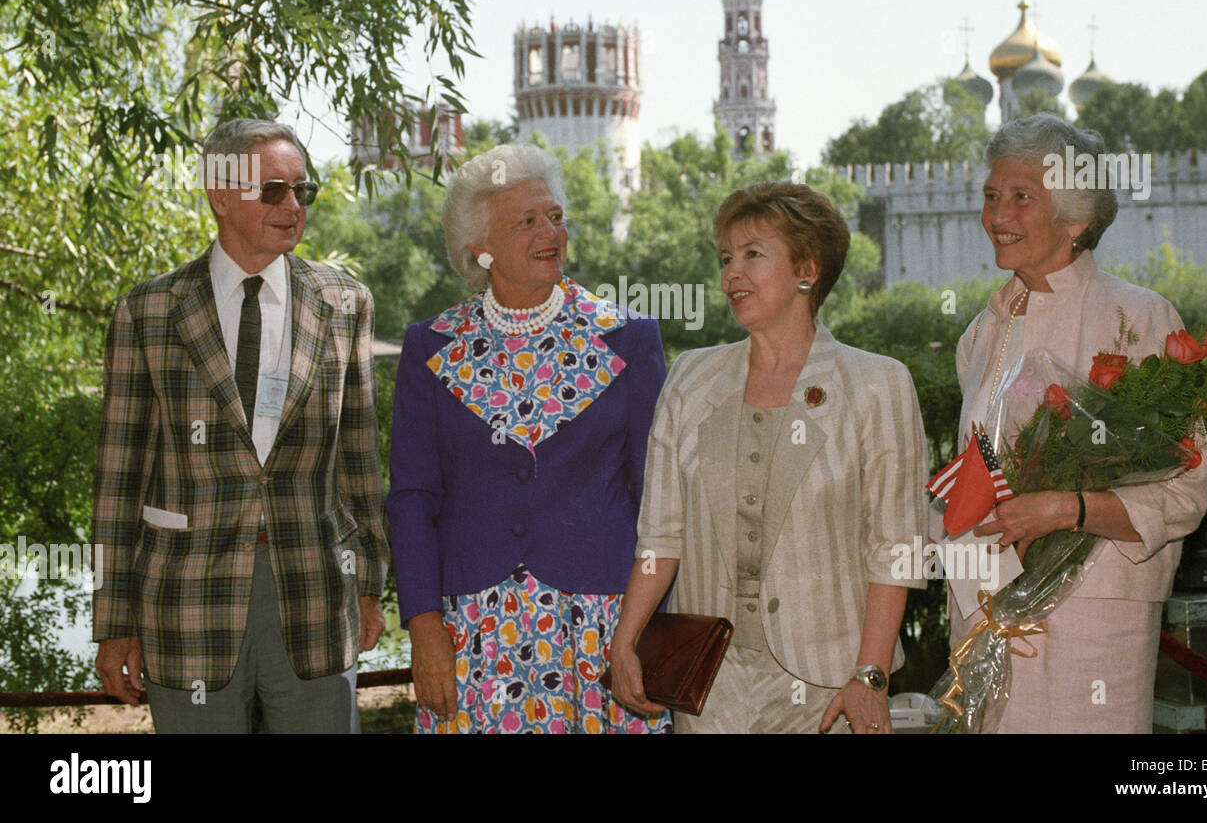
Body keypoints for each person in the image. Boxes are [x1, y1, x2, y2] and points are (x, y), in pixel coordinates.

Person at [92, 119, 390, 733]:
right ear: (219, 194)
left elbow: (359, 459)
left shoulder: (345, 303)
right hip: (185, 603)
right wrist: (114, 623)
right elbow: (118, 482)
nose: (292, 206)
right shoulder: (147, 312)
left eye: (302, 191)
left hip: (314, 596)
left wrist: (369, 583)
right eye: (273, 190)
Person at [610, 182, 930, 734]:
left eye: (753, 255)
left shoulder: (878, 384)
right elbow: (660, 534)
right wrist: (625, 640)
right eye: (726, 258)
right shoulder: (690, 379)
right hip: (709, 686)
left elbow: (896, 548)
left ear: (808, 269)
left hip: (830, 686)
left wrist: (870, 675)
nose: (732, 273)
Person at [387, 143, 670, 734]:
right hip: (473, 634)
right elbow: (412, 500)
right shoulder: (431, 347)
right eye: (527, 221)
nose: (551, 232)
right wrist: (422, 625)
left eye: (555, 216)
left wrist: (649, 630)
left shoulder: (628, 339)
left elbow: (659, 505)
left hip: (602, 629)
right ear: (480, 247)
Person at [950, 112, 1207, 732]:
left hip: (1096, 625)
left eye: (1020, 198)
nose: (996, 215)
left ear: (1076, 218)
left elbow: (1185, 495)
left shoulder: (1142, 318)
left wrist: (1066, 509)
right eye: (991, 196)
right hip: (984, 609)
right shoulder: (980, 335)